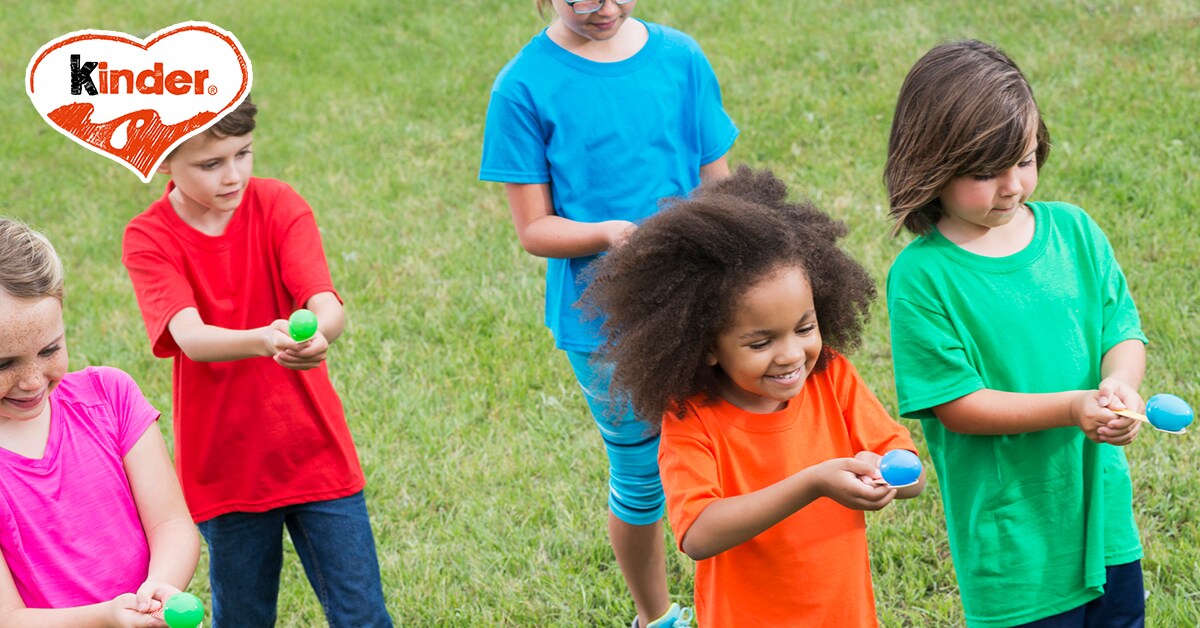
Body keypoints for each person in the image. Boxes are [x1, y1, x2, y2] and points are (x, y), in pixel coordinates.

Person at [479, 1, 738, 625]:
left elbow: (720, 187)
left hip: (701, 301)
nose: (602, 8)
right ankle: (657, 617)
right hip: (605, 327)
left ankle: (739, 604)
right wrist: (610, 235)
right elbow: (534, 229)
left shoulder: (680, 57)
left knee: (731, 454)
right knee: (642, 478)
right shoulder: (522, 86)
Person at [583, 167, 926, 626]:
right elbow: (698, 533)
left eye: (805, 328)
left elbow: (908, 468)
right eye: (761, 343)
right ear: (705, 345)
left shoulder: (832, 378)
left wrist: (892, 475)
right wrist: (812, 483)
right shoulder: (692, 419)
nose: (791, 355)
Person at [884, 40, 1147, 627]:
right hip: (1013, 543)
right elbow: (957, 405)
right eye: (985, 172)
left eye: (1025, 159)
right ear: (930, 163)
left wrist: (1118, 383)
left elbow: (1121, 331)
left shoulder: (1075, 232)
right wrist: (1074, 407)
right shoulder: (923, 276)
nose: (1013, 185)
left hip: (1102, 518)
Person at [121, 97, 392, 628]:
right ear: (160, 160)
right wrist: (266, 340)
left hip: (317, 453)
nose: (233, 175)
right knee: (244, 617)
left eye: (243, 154)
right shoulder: (149, 237)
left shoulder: (280, 205)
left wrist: (321, 335)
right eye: (210, 163)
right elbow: (191, 337)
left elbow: (324, 303)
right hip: (226, 468)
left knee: (363, 615)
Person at [0, 217, 199, 627]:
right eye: (4, 363)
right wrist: (106, 619)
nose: (33, 381)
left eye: (49, 349)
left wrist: (159, 589)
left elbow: (172, 523)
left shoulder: (110, 397)